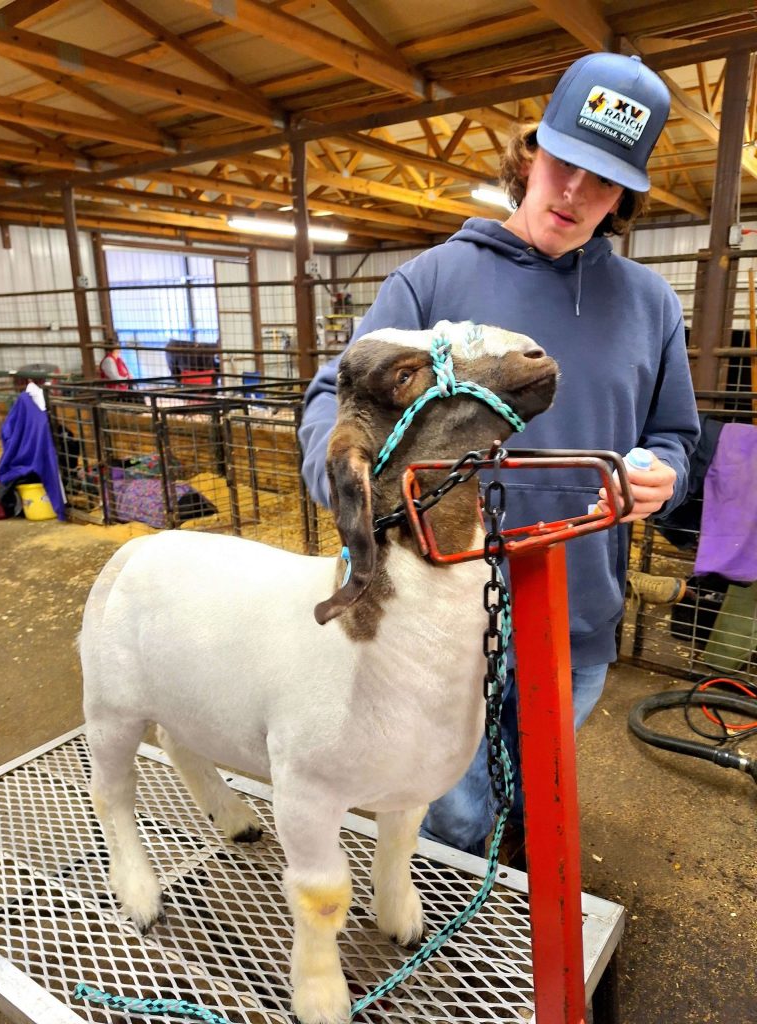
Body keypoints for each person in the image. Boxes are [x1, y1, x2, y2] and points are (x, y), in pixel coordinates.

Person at [298, 52, 700, 859]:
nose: (576, 193)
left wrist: (665, 476)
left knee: (532, 778)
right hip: (438, 613)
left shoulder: (651, 305)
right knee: (449, 812)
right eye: (564, 163)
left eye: (604, 180)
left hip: (575, 614)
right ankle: (448, 928)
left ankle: (499, 893)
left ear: (625, 195)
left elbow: (675, 438)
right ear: (530, 156)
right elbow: (330, 400)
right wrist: (344, 480)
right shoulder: (432, 281)